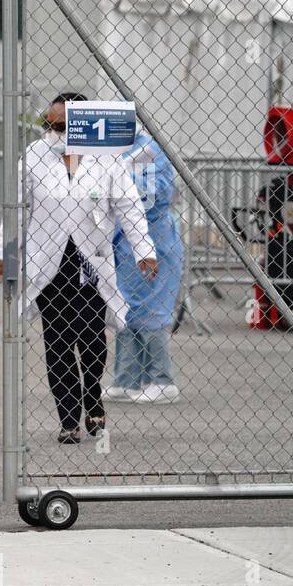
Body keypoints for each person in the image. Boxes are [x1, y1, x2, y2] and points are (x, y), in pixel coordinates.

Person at [0, 92, 158, 444]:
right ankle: (68, 418)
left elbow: (129, 206)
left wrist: (145, 250)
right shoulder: (33, 157)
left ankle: (92, 396)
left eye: (63, 125)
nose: (55, 132)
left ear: (83, 126)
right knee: (59, 344)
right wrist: (1, 252)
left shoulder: (106, 160)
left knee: (93, 340)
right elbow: (16, 209)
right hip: (49, 266)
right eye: (50, 124)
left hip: (90, 266)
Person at [104, 133, 183, 404]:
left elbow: (153, 192)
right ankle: (126, 379)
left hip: (155, 239)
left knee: (151, 309)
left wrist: (119, 180)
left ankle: (162, 380)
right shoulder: (114, 147)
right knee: (126, 308)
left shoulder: (151, 149)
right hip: (125, 242)